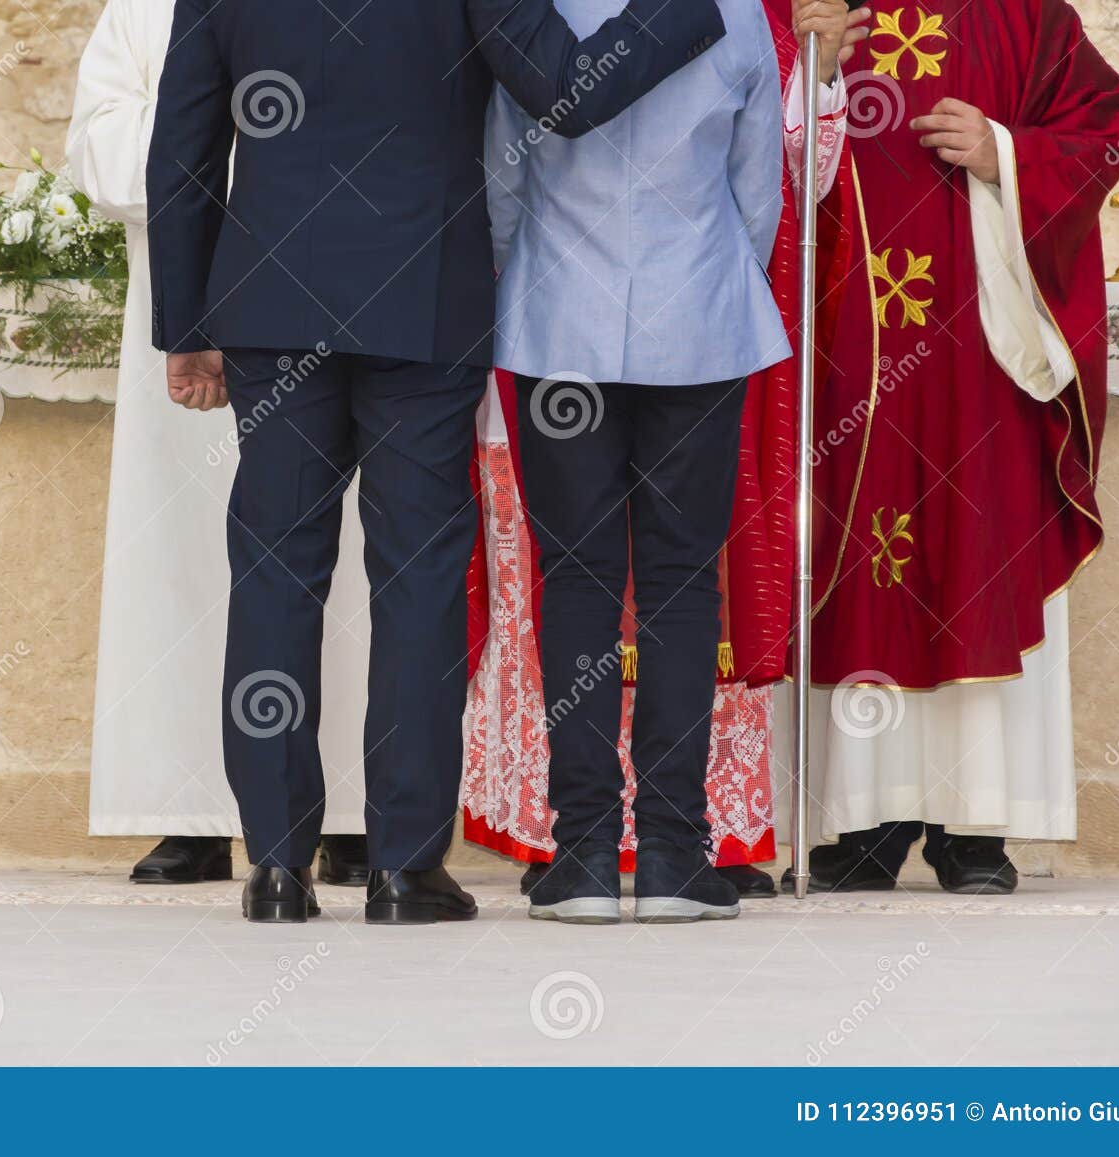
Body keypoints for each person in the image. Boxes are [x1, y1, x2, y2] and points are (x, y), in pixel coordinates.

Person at [147, 0, 729, 924]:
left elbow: (182, 141)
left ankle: (276, 865)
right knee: (417, 580)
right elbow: (566, 94)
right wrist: (684, 14)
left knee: (273, 575)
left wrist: (185, 323)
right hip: (421, 296)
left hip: (272, 301)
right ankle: (404, 867)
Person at [466, 0, 865, 902]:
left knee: (575, 580)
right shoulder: (728, 14)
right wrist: (712, 288)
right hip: (698, 328)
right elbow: (760, 187)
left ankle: (584, 857)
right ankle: (679, 855)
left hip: (557, 327)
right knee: (684, 584)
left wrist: (513, 286)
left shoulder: (539, 19)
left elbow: (503, 177)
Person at [791, 0, 1119, 894]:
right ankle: (858, 818)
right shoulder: (821, 7)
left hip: (980, 353)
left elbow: (1105, 127)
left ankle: (975, 821)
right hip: (845, 352)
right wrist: (815, 72)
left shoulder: (1023, 14)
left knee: (978, 557)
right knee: (858, 566)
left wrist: (1006, 153)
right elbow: (745, 141)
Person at [66, 0, 372, 890]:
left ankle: (348, 809)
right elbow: (95, 142)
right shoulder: (144, 10)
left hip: (319, 288)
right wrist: (215, 145)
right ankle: (186, 806)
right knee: (186, 563)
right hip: (187, 305)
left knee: (339, 555)